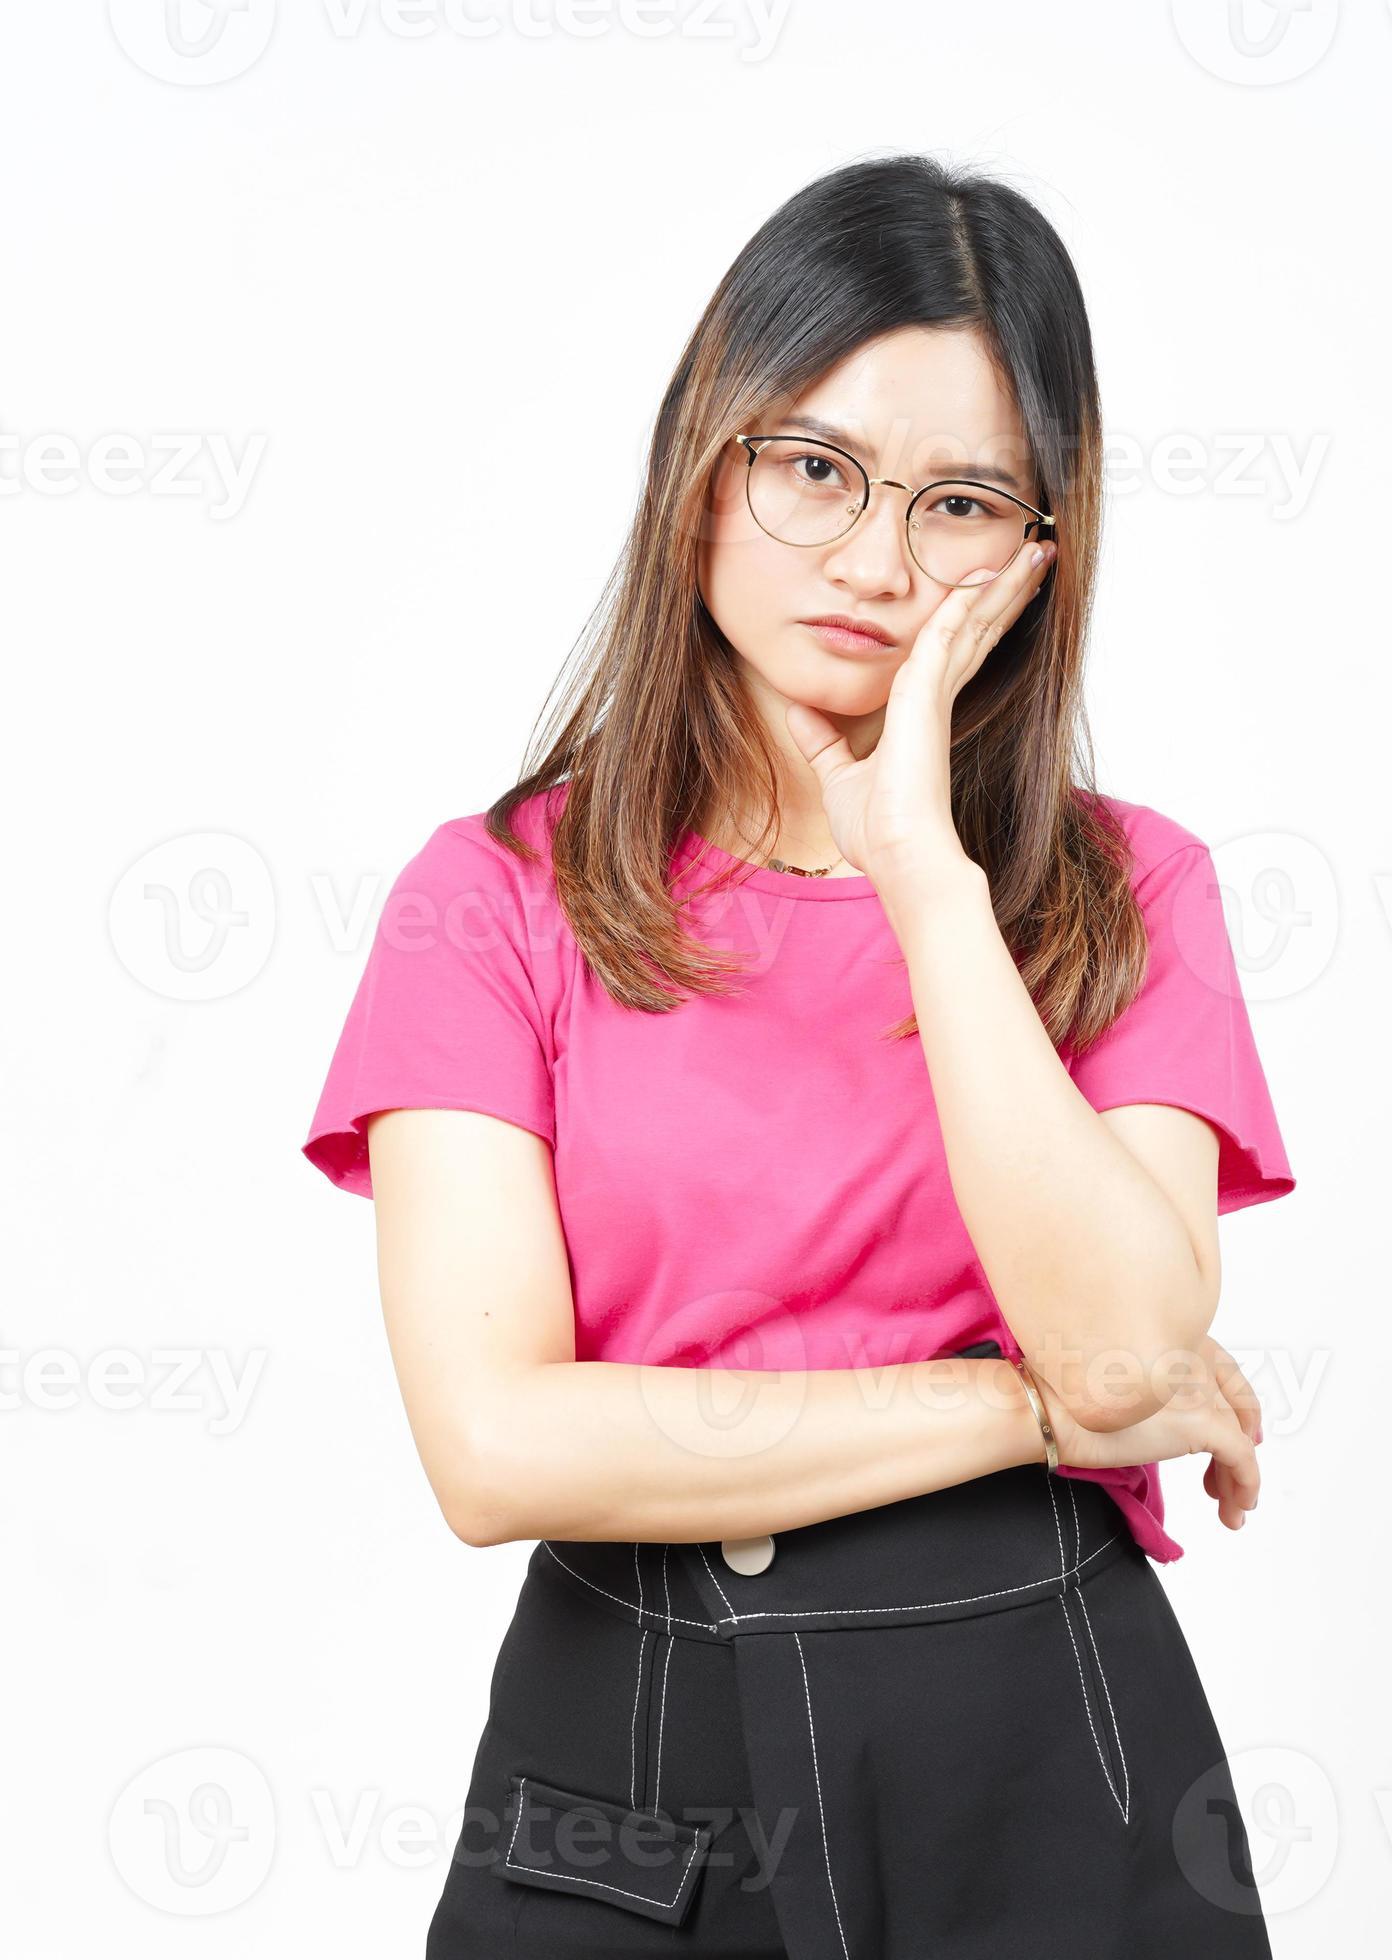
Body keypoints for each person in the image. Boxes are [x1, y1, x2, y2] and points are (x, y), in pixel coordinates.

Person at [299, 153, 1299, 1957]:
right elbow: (496, 1446)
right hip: (625, 1769)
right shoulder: (495, 900)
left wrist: (925, 873)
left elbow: (1129, 1340)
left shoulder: (1131, 891)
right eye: (816, 467)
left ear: (1040, 549)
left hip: (1049, 1756)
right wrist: (1026, 1411)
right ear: (704, 464)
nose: (875, 562)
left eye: (959, 502)